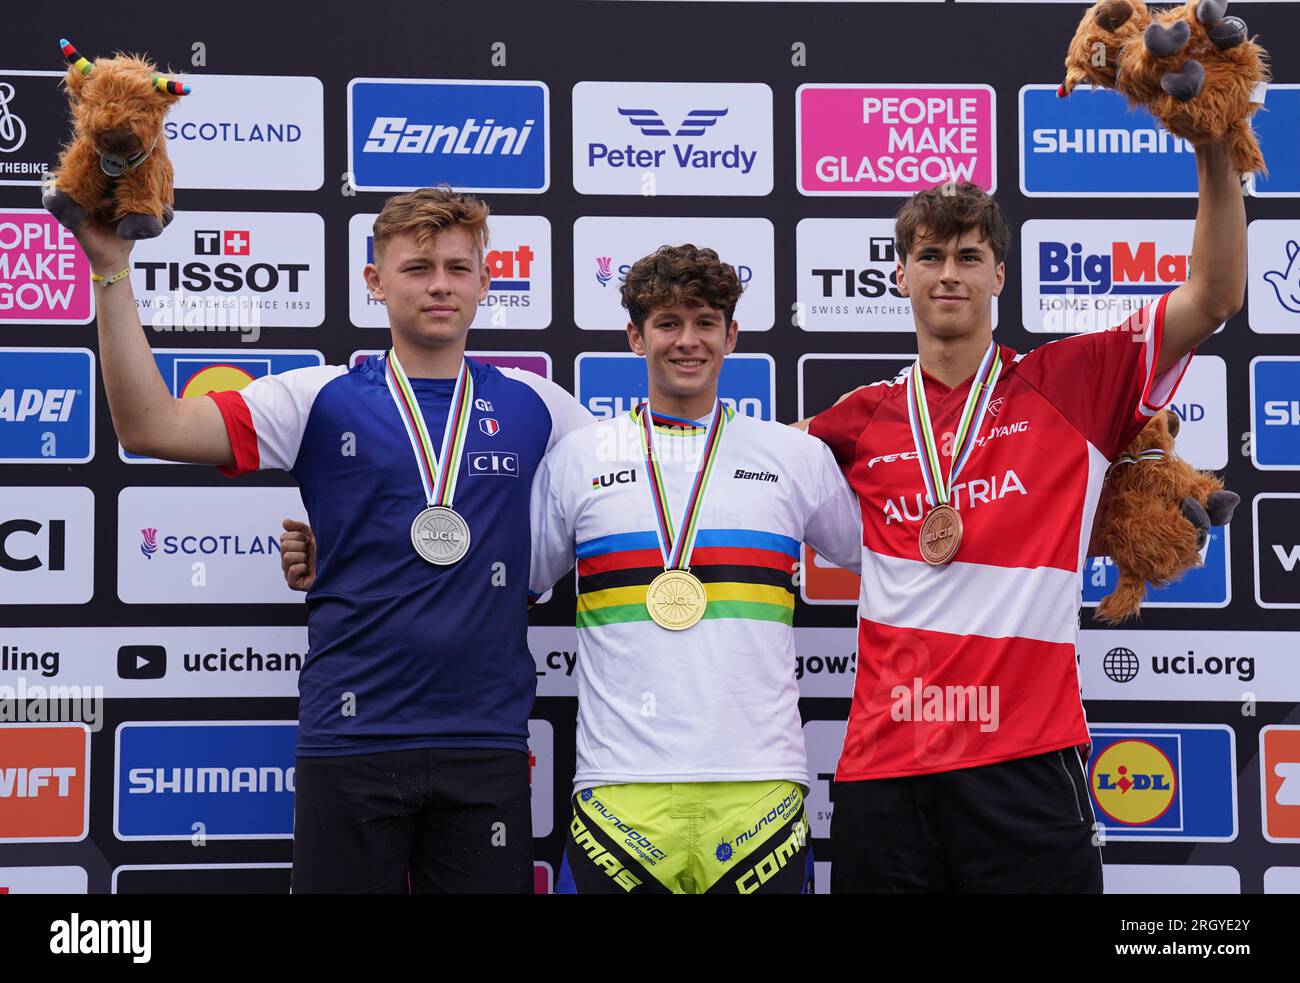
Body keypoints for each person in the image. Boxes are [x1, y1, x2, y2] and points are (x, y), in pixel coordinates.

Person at [286, 244, 864, 893]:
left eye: (705, 322)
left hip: (763, 790)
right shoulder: (580, 458)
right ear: (634, 335)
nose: (687, 341)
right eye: (667, 323)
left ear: (732, 335)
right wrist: (343, 550)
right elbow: (489, 577)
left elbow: (888, 560)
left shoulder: (794, 455)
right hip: (617, 799)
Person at [79, 186, 591, 893]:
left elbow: (639, 488)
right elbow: (150, 426)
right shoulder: (317, 398)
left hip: (488, 745)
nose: (439, 284)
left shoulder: (543, 406)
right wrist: (110, 269)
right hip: (351, 741)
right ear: (374, 282)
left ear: (486, 280)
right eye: (416, 268)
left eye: (457, 267)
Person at [799, 143, 1246, 893]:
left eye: (969, 257)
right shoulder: (854, 419)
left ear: (999, 275)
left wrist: (1213, 150)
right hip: (886, 774)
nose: (949, 274)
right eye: (931, 255)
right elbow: (733, 477)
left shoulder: (1072, 381)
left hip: (1025, 767)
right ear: (900, 273)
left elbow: (1214, 297)